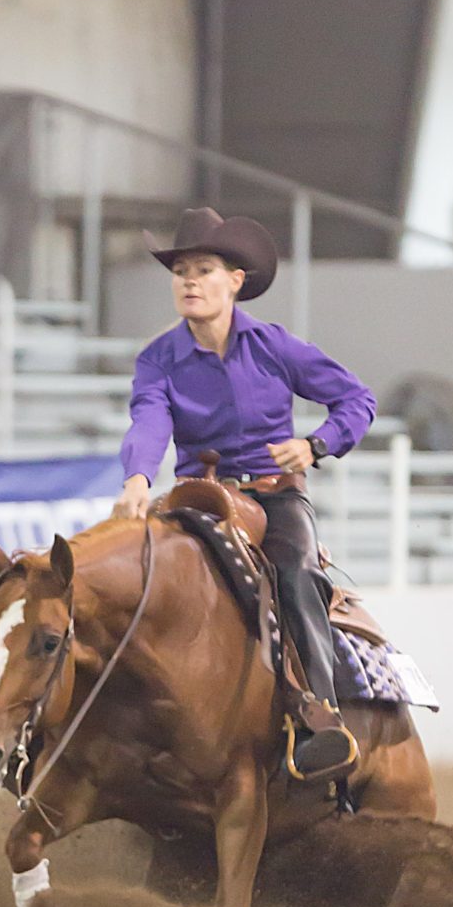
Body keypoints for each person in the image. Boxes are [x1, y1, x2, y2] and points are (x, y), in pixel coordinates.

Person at [113, 206, 376, 779]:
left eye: (203, 269)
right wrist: (138, 477)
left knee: (296, 575)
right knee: (142, 579)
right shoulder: (158, 360)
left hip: (273, 497)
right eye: (180, 271)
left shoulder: (275, 347)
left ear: (235, 281)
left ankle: (320, 716)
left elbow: (357, 400)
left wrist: (315, 445)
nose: (189, 281)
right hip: (196, 499)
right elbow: (149, 420)